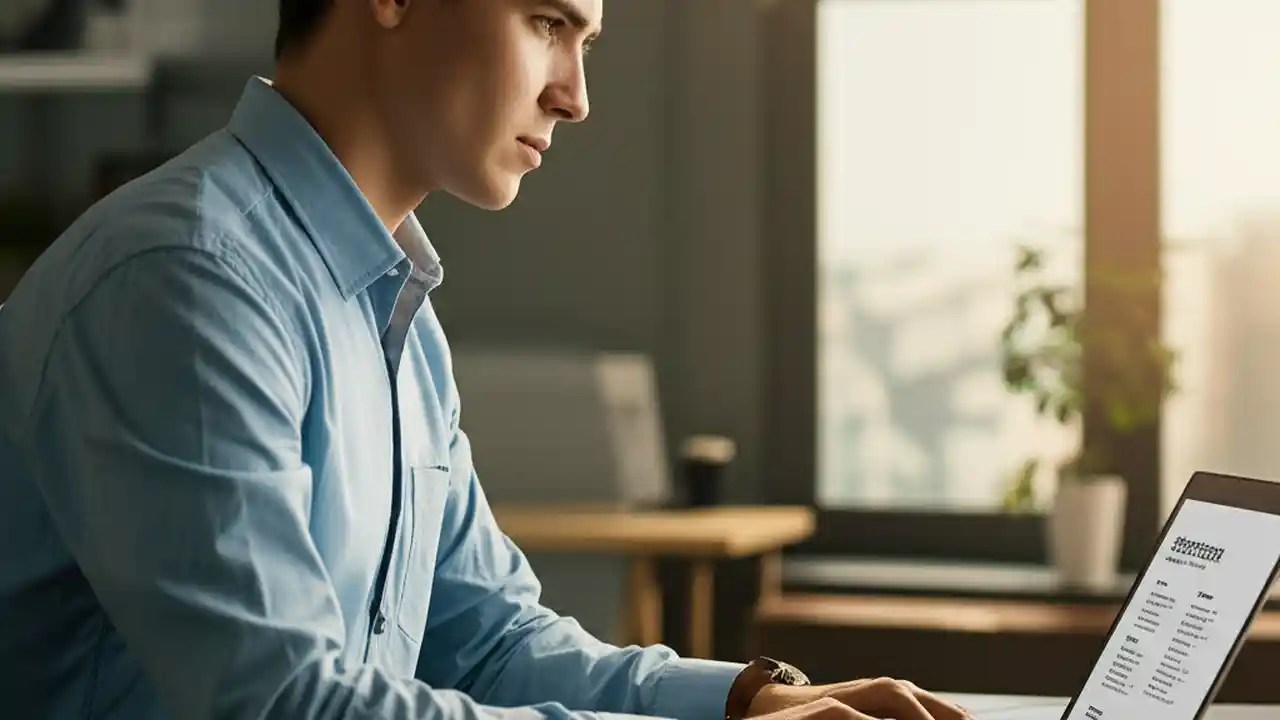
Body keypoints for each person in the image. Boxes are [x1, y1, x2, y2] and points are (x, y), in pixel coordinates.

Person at [0, 1, 971, 718]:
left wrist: (747, 703)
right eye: (547, 22)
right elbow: (284, 705)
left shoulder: (396, 318)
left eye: (584, 43)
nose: (576, 96)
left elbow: (489, 642)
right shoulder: (186, 280)